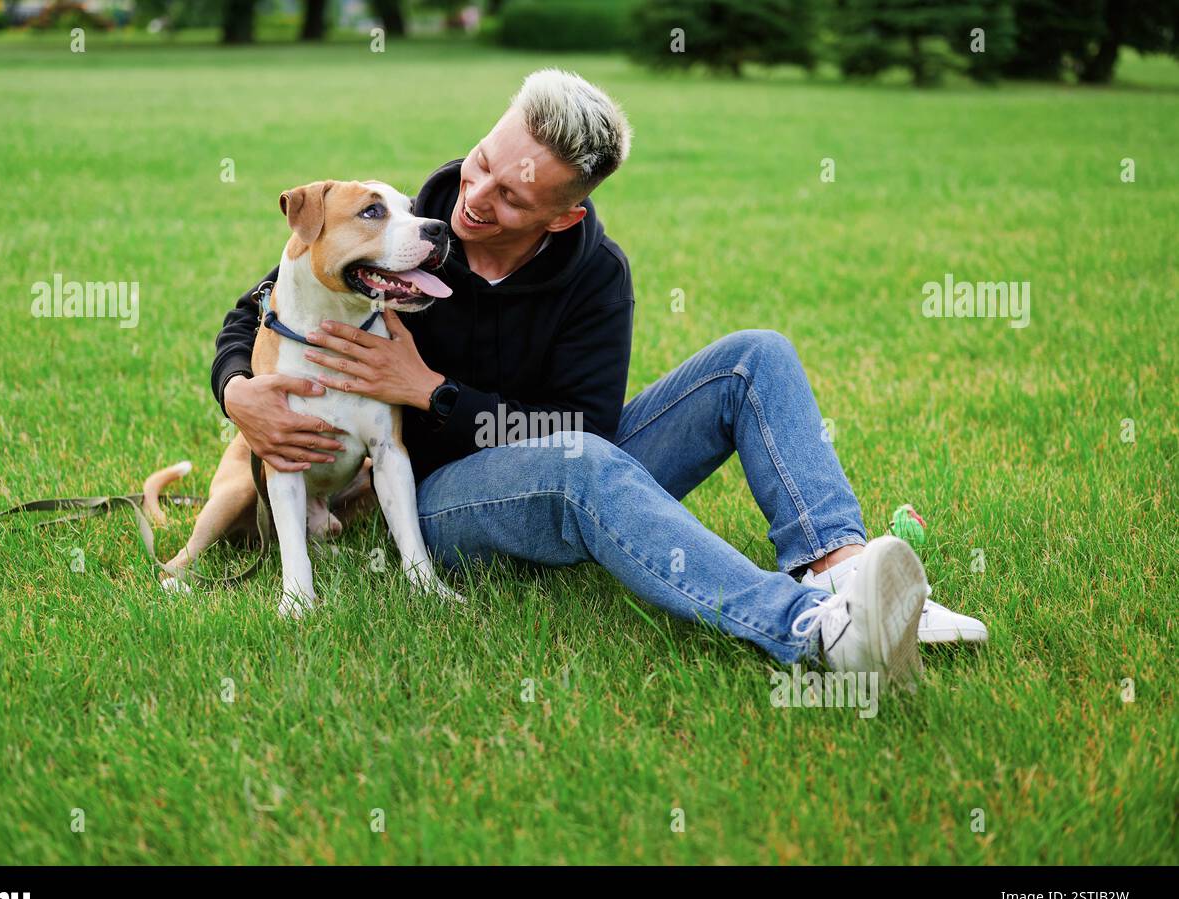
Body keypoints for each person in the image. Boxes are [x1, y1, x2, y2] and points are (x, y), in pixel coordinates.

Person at [212, 69, 986, 684]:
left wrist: (432, 390)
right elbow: (270, 298)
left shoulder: (596, 277)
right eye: (483, 163)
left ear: (562, 217)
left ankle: (843, 576)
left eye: (511, 195)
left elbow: (582, 429)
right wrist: (236, 389)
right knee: (586, 466)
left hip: (564, 455)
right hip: (440, 498)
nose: (474, 200)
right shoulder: (409, 222)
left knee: (757, 354)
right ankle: (811, 631)